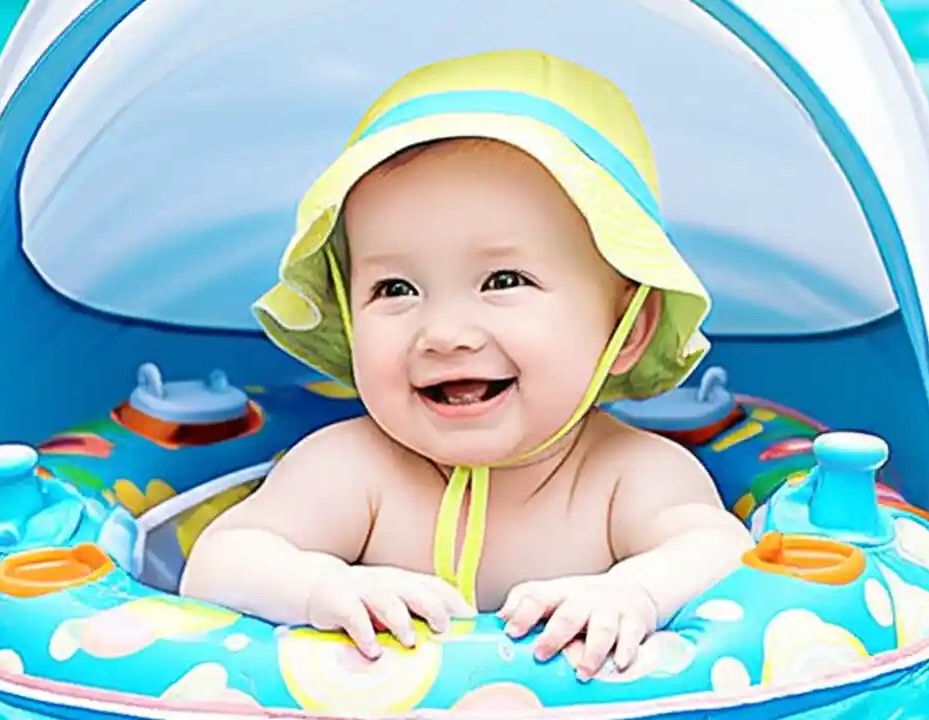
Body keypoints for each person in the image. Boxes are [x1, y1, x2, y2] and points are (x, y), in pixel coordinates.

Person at [180, 49, 752, 681]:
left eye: (504, 280)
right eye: (395, 289)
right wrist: (319, 587)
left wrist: (635, 592)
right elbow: (217, 563)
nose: (444, 334)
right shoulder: (351, 468)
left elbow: (721, 549)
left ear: (627, 329)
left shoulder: (629, 475)